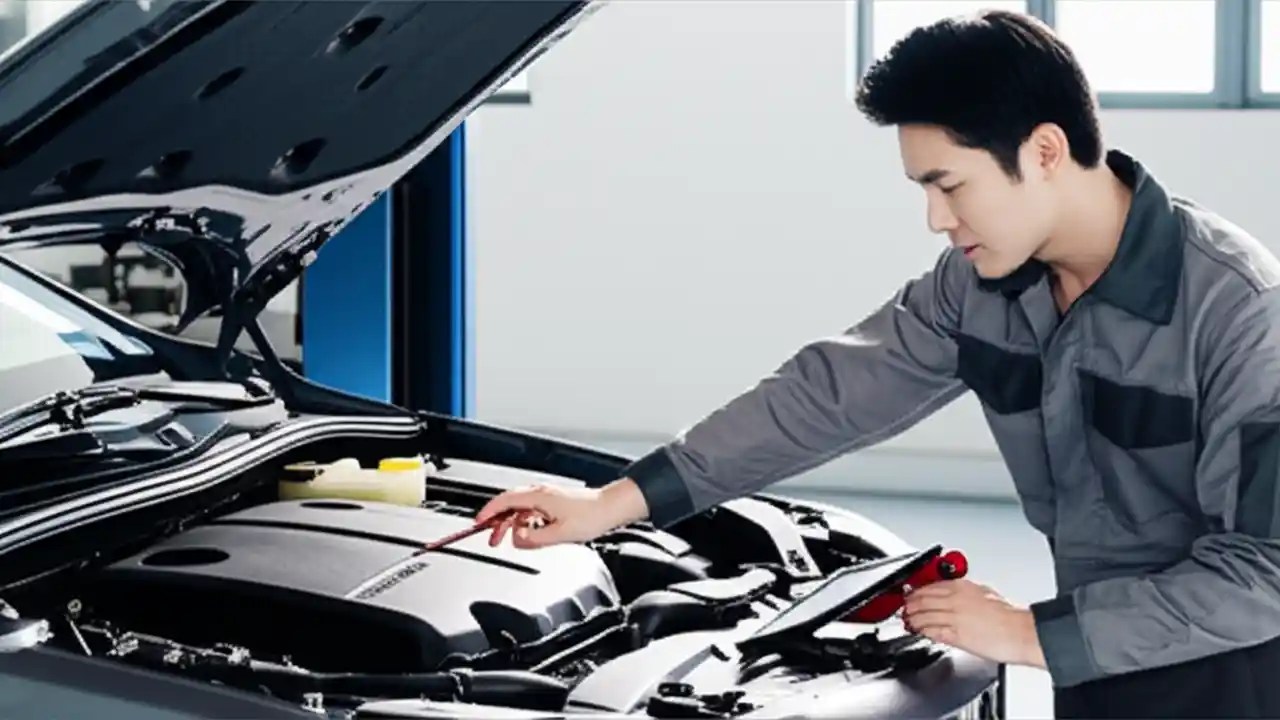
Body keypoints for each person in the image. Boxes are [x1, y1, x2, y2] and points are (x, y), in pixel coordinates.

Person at [476, 9, 1280, 718]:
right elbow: (827, 395)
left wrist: (1031, 630)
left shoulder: (1238, 311)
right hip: (1090, 674)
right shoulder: (980, 288)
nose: (937, 218)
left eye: (950, 184)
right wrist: (613, 502)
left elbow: (1268, 574)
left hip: (1235, 680)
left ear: (1043, 152)